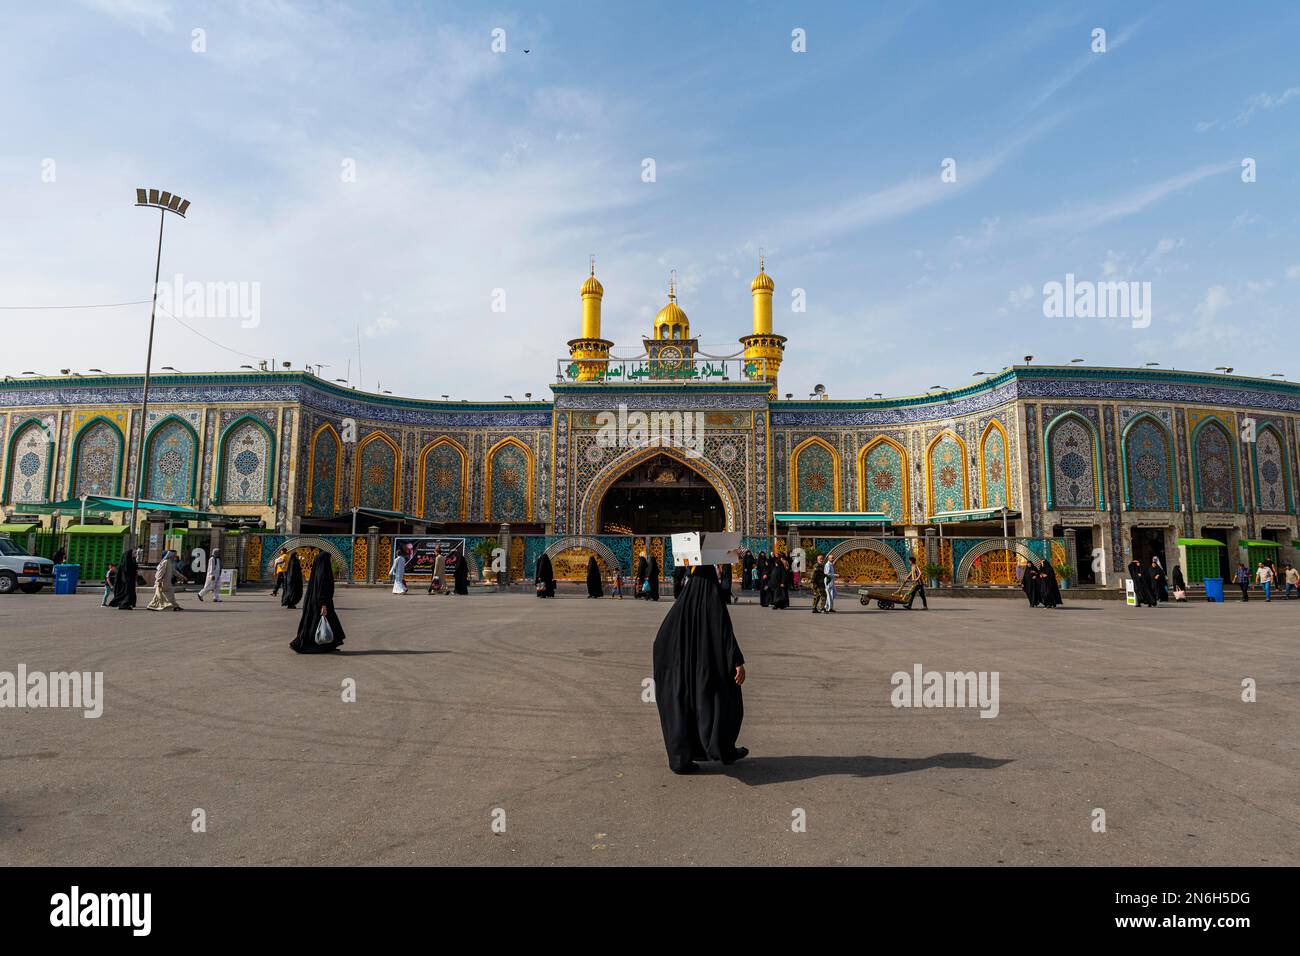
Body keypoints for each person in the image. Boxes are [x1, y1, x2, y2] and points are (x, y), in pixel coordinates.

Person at [652, 564, 747, 775]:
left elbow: (662, 639)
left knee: (682, 707)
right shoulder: (713, 599)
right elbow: (723, 632)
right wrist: (737, 661)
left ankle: (680, 759)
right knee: (723, 702)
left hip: (682, 670)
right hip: (707, 668)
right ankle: (724, 750)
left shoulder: (682, 604)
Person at [291, 552, 345, 653]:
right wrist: (323, 604)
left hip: (316, 601)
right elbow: (322, 588)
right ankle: (316, 645)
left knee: (322, 622)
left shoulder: (318, 572)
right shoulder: (323, 573)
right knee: (320, 623)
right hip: (321, 602)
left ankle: (328, 646)